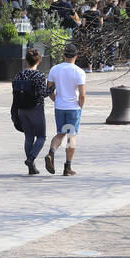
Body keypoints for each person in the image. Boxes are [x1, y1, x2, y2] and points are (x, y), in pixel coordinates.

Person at [44, 42, 86, 176]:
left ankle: (51, 152)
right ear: (76, 56)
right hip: (73, 107)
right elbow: (82, 94)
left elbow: (49, 90)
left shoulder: (54, 69)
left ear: (63, 55)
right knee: (71, 136)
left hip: (60, 107)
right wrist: (80, 105)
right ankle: (67, 167)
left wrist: (56, 100)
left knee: (60, 134)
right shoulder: (79, 71)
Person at [11, 48, 52, 175]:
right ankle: (31, 159)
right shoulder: (39, 76)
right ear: (39, 61)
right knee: (41, 137)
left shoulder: (19, 74)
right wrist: (52, 89)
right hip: (36, 109)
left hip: (21, 109)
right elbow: (43, 94)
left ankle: (31, 167)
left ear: (26, 61)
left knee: (28, 137)